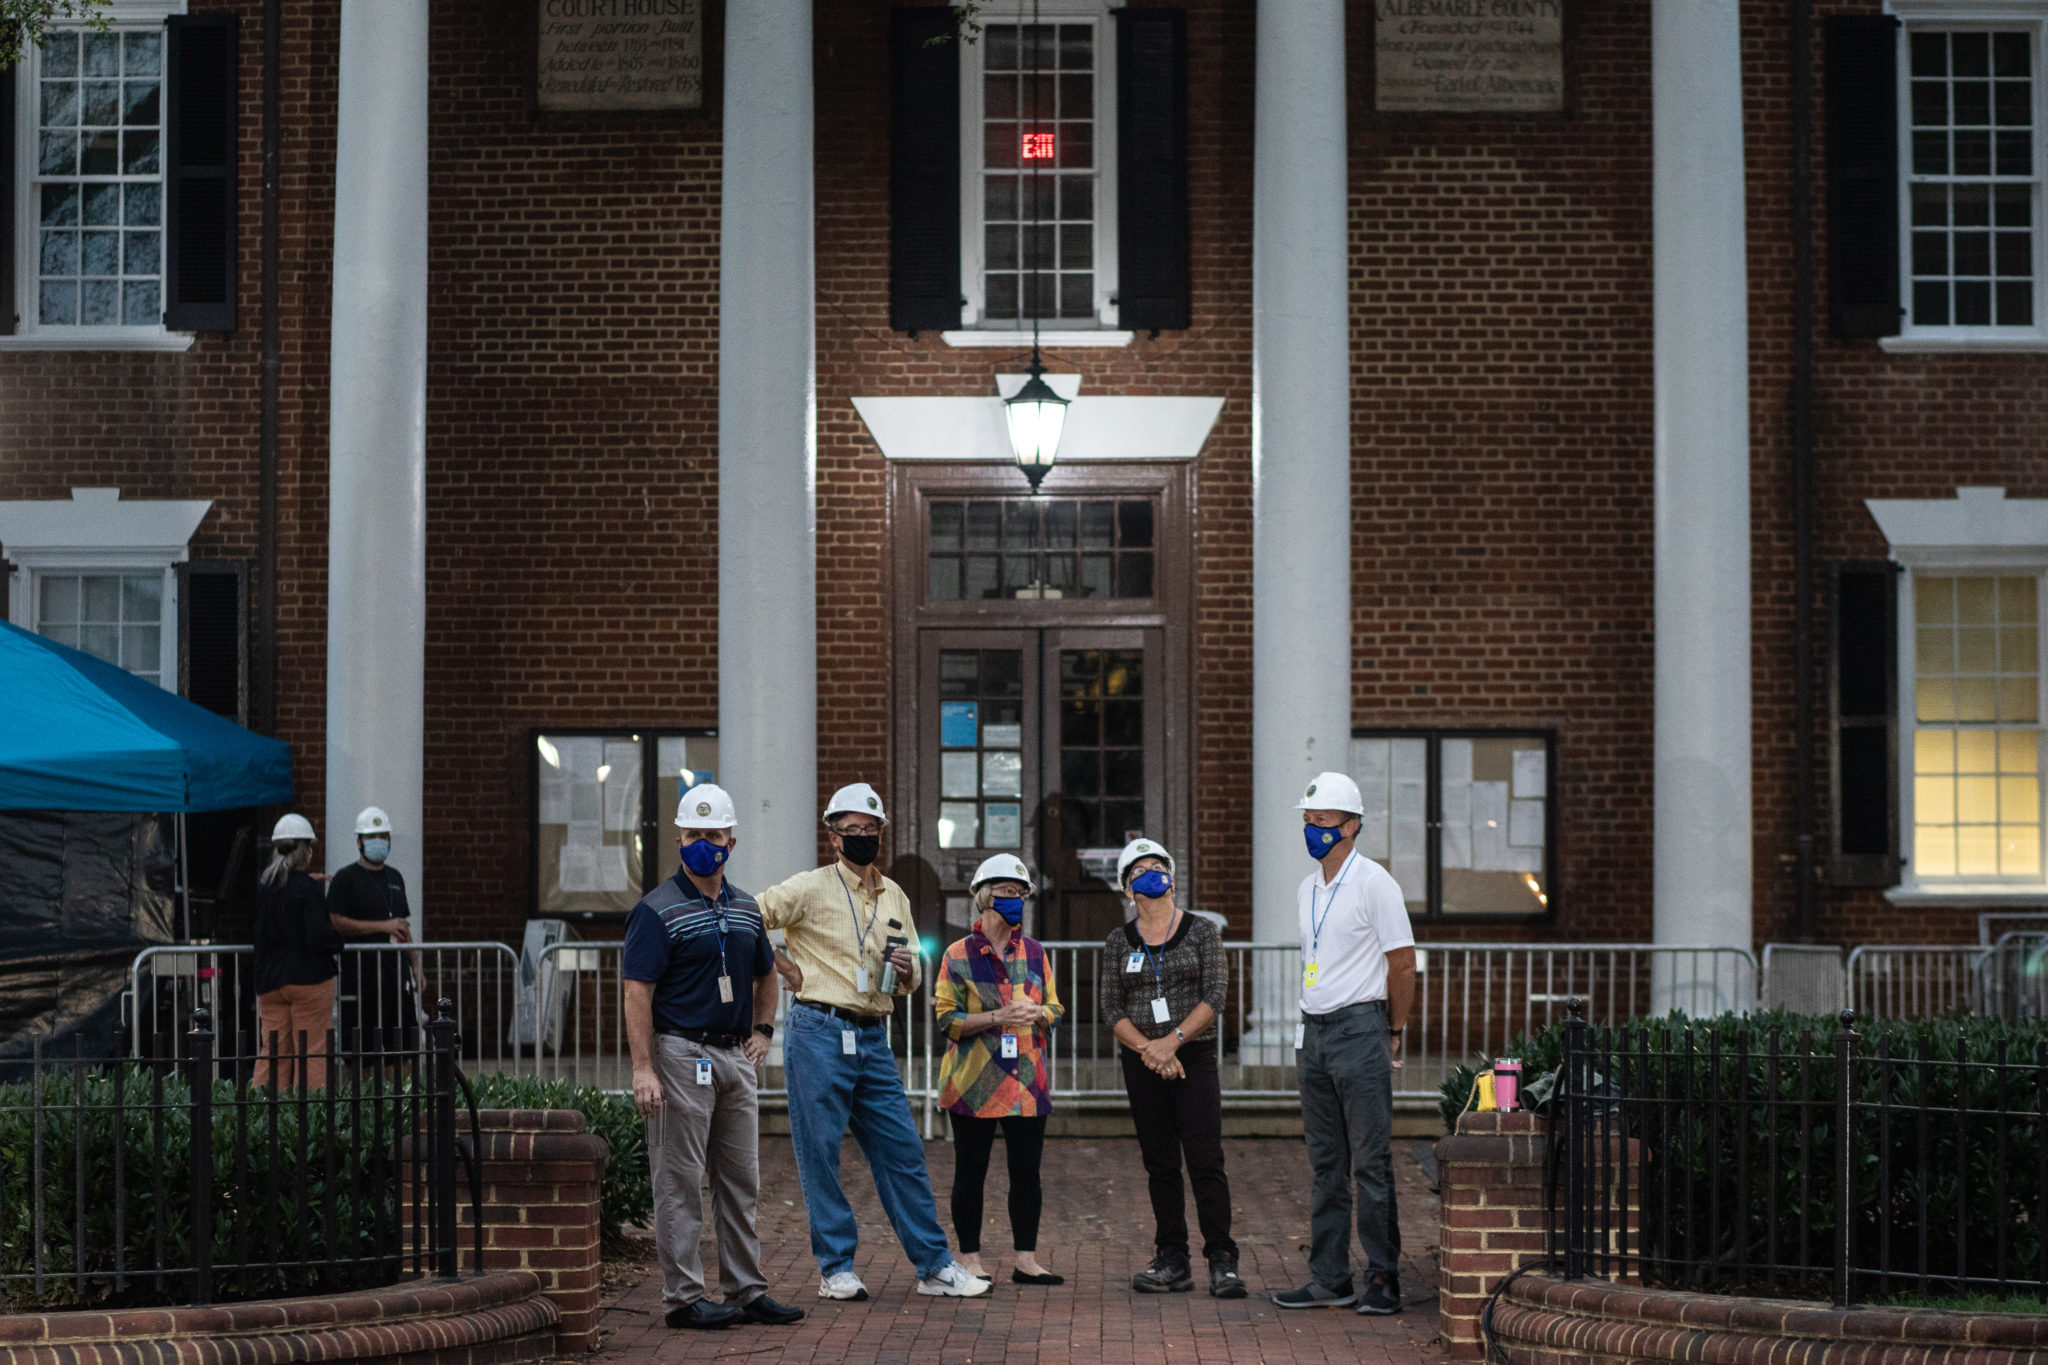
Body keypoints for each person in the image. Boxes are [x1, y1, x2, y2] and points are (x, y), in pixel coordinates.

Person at [756, 782, 990, 1301]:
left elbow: (907, 979)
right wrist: (778, 962)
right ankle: (835, 1267)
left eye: (870, 829)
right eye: (852, 830)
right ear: (833, 837)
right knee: (820, 1152)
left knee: (902, 1151)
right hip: (818, 1028)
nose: (862, 837)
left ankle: (934, 1266)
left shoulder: (895, 895)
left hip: (872, 1035)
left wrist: (908, 971)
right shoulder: (810, 887)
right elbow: (749, 915)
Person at [624, 783, 805, 1331]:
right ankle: (683, 1298)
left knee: (740, 1179)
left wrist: (765, 1030)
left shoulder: (747, 908)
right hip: (681, 1053)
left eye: (715, 835)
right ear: (678, 839)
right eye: (694, 835)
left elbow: (766, 970)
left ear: (732, 840)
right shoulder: (655, 911)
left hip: (733, 1057)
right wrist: (643, 1068)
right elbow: (637, 992)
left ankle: (746, 1290)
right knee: (679, 1180)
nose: (705, 843)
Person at [1273, 771, 1417, 1316]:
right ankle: (1330, 1277)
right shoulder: (1308, 888)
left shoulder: (1375, 883)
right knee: (1325, 1163)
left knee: (1370, 1162)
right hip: (1313, 1032)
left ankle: (1383, 1275)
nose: (1312, 831)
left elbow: (1402, 963)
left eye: (1323, 822)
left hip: (1361, 1028)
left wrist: (1393, 1030)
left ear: (1351, 826)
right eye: (1308, 822)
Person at [1099, 837, 1244, 1299]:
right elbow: (1110, 1009)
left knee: (1205, 1159)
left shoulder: (1202, 931)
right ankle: (1172, 1259)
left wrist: (1172, 1043)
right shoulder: (1118, 942)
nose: (1151, 874)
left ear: (1173, 878)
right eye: (1140, 869)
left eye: (1158, 866)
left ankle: (1222, 1260)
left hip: (1193, 1057)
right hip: (1143, 1062)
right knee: (1160, 1163)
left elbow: (1215, 996)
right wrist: (1151, 1050)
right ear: (1128, 889)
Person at [933, 854, 1066, 1286]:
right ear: (982, 896)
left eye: (1020, 893)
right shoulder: (958, 954)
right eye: (1005, 891)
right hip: (973, 1082)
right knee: (971, 1171)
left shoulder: (1035, 952)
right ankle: (970, 1258)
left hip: (1028, 1081)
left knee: (1026, 1174)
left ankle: (1026, 1259)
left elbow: (1056, 1007)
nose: (1014, 900)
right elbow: (946, 1020)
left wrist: (1039, 1014)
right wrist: (997, 1017)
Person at [250, 813, 343, 1091]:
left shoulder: (265, 887)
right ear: (303, 850)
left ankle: (263, 1112)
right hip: (309, 979)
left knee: (273, 1051)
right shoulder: (307, 889)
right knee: (312, 1051)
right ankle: (310, 1118)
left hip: (269, 982)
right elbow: (319, 936)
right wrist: (339, 941)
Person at [327, 806, 418, 1049]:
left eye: (384, 836)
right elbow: (337, 922)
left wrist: (416, 966)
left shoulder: (395, 877)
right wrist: (381, 926)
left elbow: (402, 927)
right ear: (359, 841)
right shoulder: (346, 878)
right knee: (363, 1047)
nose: (379, 842)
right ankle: (367, 1088)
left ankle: (399, 1087)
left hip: (396, 975)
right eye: (372, 837)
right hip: (362, 977)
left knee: (401, 1045)